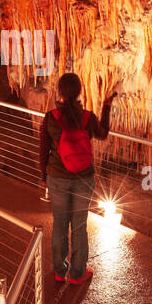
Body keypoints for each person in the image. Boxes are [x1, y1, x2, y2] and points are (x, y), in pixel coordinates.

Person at [39, 73, 116, 284]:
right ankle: (78, 273)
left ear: (60, 92)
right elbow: (102, 133)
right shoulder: (87, 117)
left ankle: (59, 270)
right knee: (79, 225)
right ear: (79, 91)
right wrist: (107, 106)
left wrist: (44, 177)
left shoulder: (51, 117)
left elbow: (43, 150)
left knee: (60, 223)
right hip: (83, 177)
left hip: (57, 178)